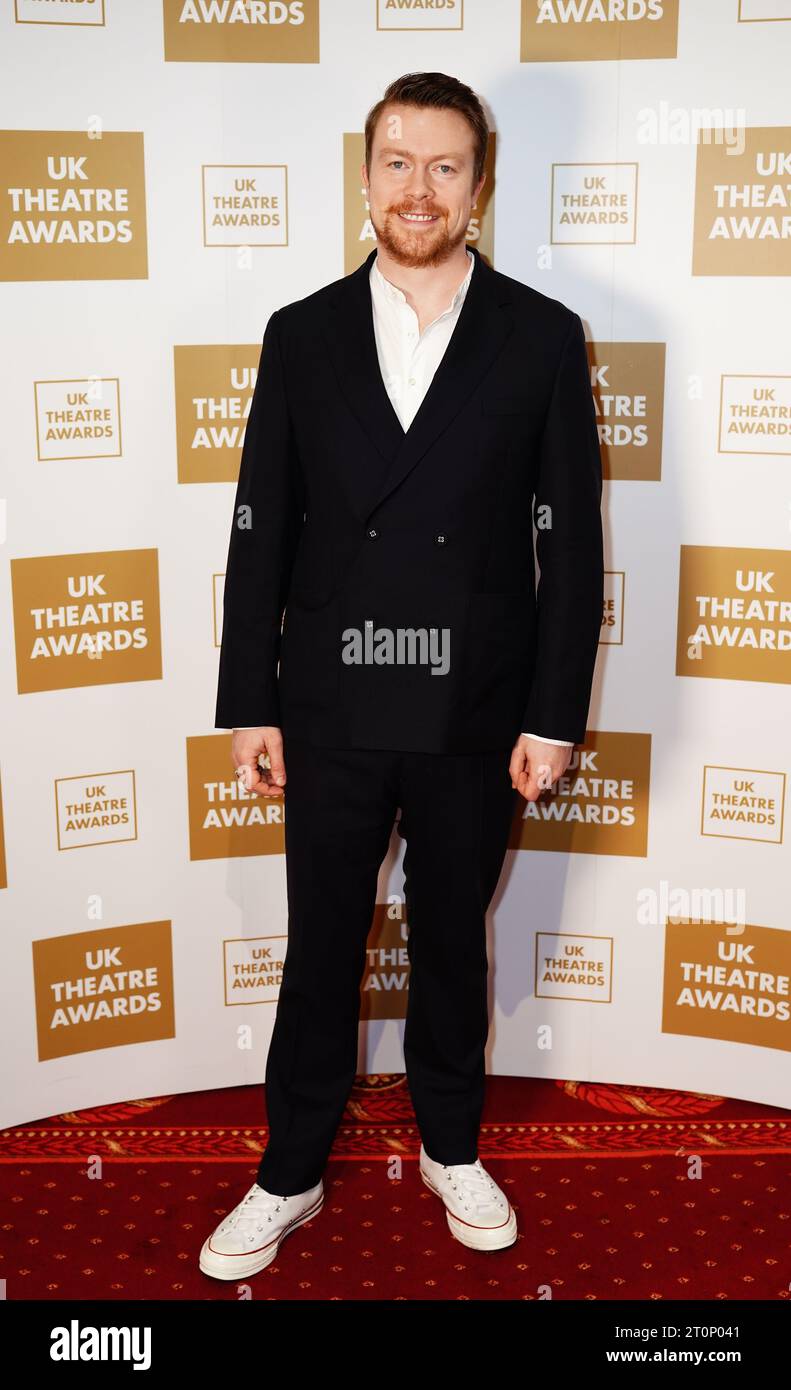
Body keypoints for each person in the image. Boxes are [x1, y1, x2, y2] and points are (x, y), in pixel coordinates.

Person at [199, 71, 603, 1280]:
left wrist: (551, 715)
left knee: (446, 940)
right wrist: (247, 696)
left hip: (475, 707)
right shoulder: (301, 332)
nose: (414, 189)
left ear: (478, 185)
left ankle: (449, 1145)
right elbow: (258, 529)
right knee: (321, 938)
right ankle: (289, 1169)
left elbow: (570, 546)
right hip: (327, 699)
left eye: (442, 166)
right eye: (394, 162)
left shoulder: (538, 334)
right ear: (362, 174)